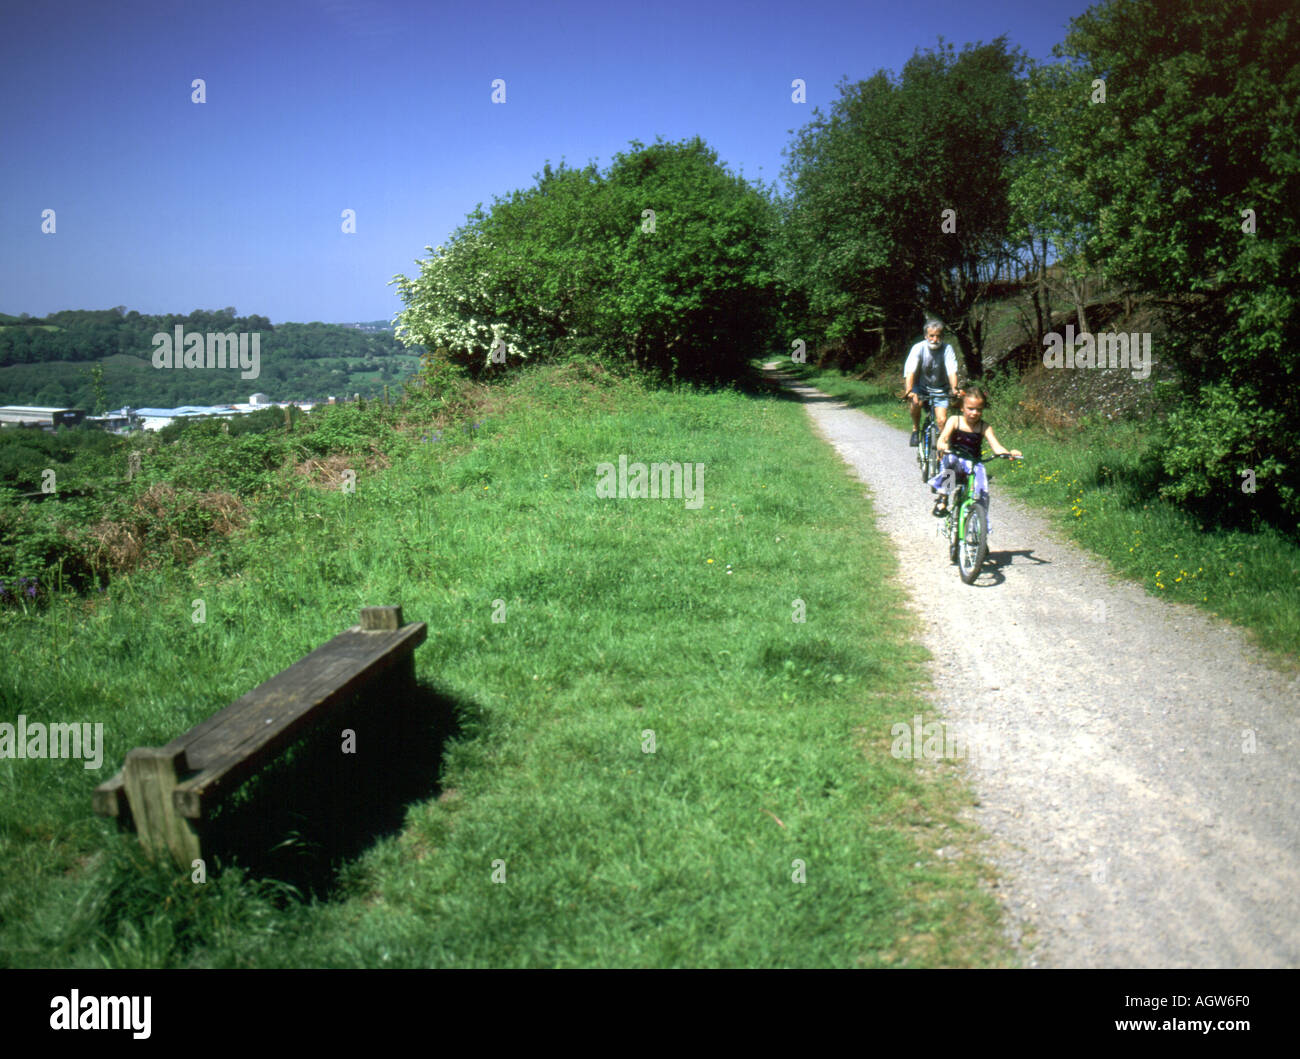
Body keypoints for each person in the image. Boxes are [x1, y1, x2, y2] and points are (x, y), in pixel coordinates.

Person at [928, 388, 1022, 524]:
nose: (974, 413)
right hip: (955, 457)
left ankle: (979, 530)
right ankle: (942, 499)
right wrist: (942, 444)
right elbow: (943, 437)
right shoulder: (955, 420)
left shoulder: (984, 426)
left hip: (973, 462)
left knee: (982, 489)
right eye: (970, 409)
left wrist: (1009, 453)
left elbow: (996, 447)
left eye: (979, 410)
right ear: (962, 407)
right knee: (951, 464)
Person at [903, 319, 960, 446]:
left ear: (942, 336)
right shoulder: (918, 348)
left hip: (940, 388)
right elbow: (910, 370)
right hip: (920, 386)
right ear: (926, 336)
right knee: (916, 403)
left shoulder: (947, 349)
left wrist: (955, 388)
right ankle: (915, 429)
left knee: (942, 420)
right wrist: (909, 390)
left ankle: (941, 451)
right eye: (931, 336)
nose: (935, 339)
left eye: (938, 336)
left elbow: (952, 370)